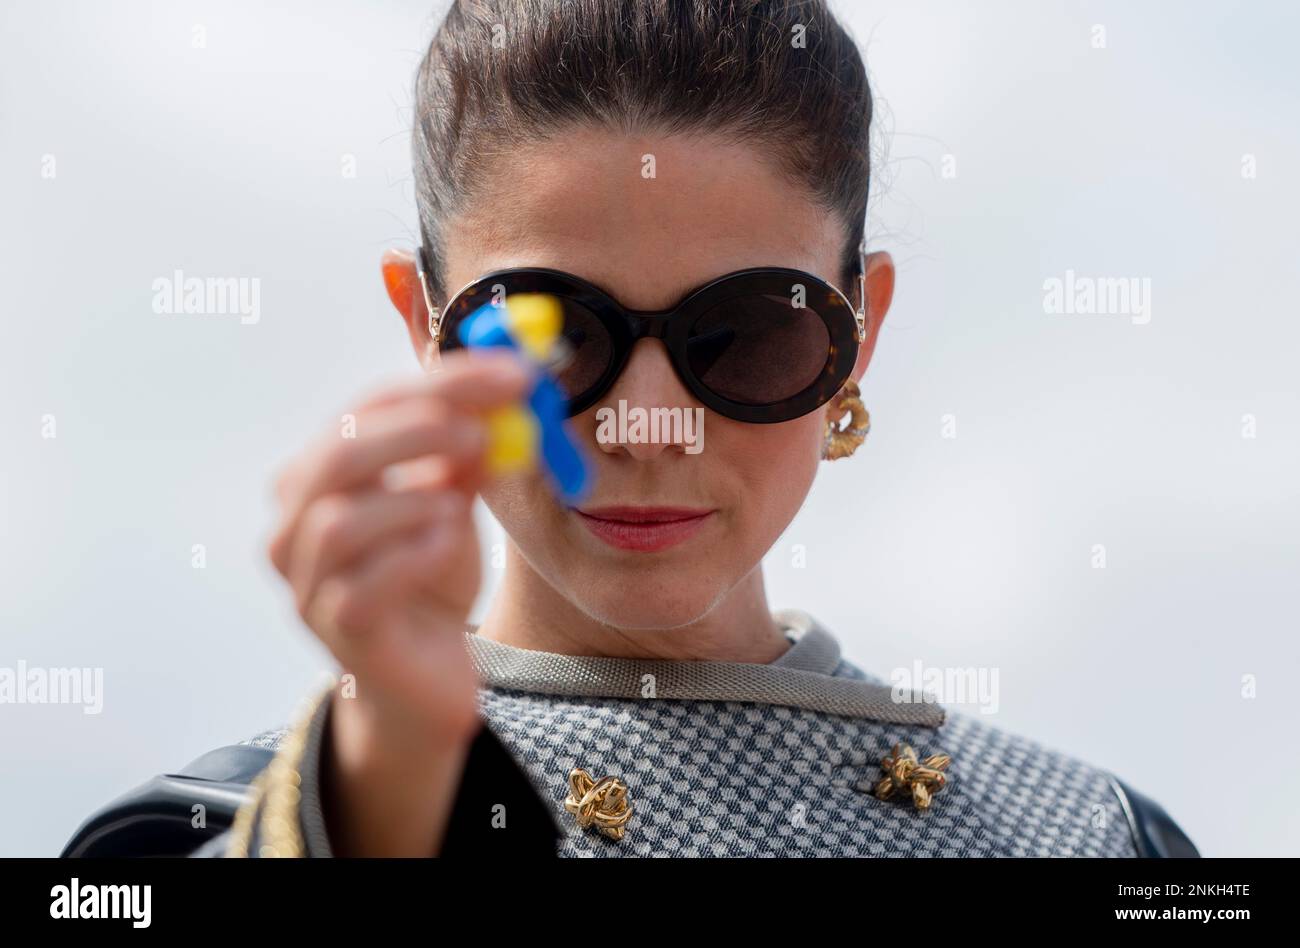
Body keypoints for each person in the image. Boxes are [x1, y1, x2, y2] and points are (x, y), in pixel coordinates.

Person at [62, 0, 1198, 859]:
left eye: (745, 332)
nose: (648, 427)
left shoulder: (1102, 839)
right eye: (554, 338)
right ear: (427, 328)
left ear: (860, 329)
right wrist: (397, 781)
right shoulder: (208, 834)